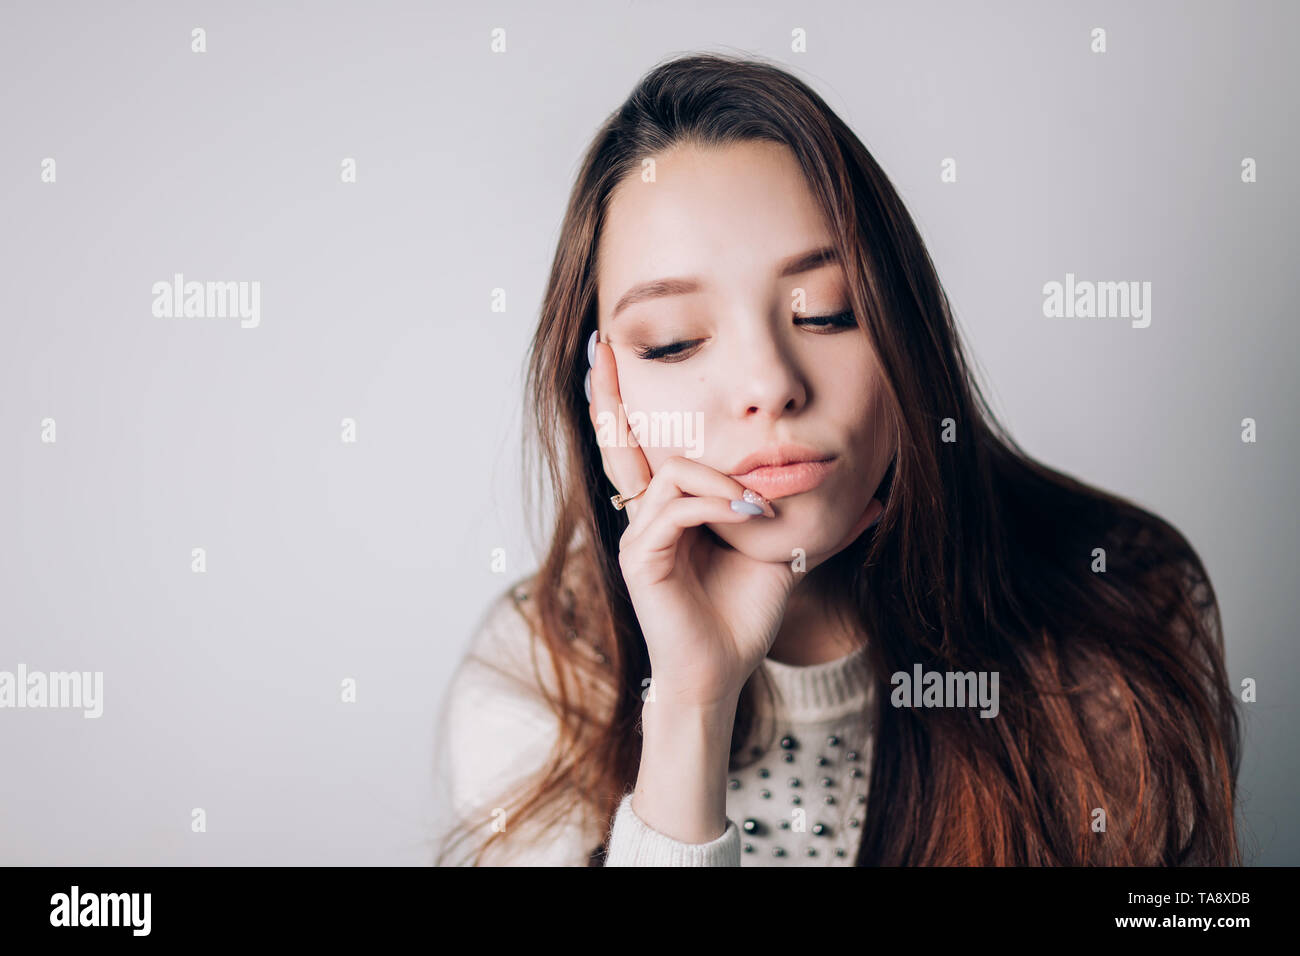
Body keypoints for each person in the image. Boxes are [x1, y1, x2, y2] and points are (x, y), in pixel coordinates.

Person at [432, 52, 1242, 866]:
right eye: (673, 341)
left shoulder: (1118, 617)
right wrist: (690, 706)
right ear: (604, 398)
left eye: (826, 313)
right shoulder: (539, 681)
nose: (770, 385)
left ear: (906, 326)